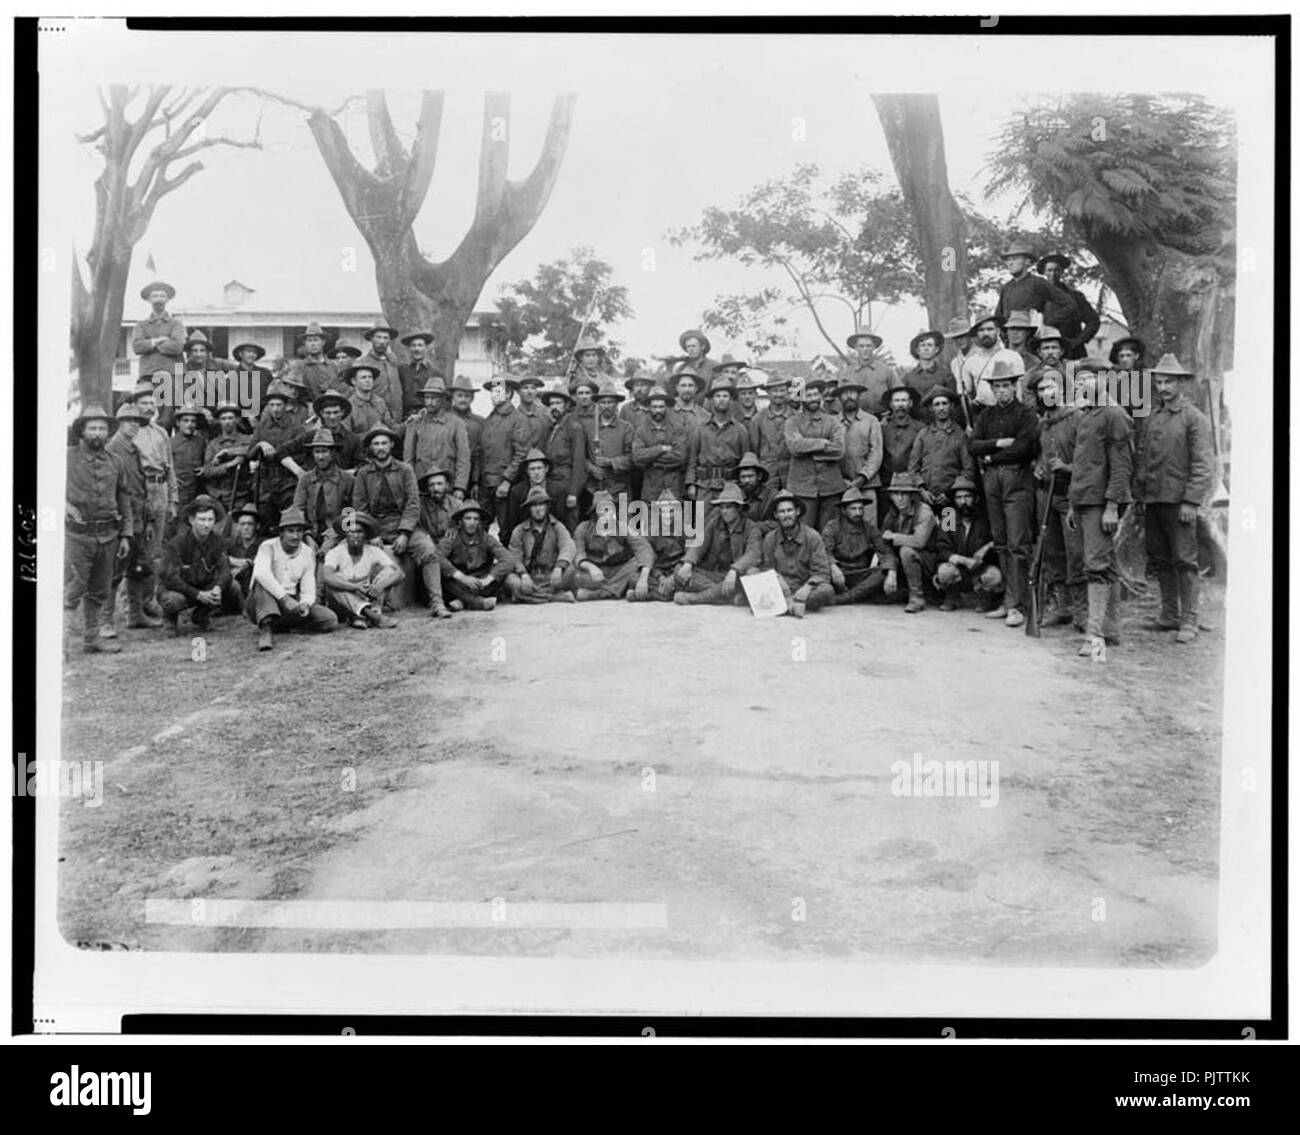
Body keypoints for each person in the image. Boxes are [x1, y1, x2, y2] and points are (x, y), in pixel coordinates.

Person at [1135, 354, 1215, 644]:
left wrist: (1191, 502)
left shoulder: (1194, 418)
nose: (1164, 387)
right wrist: (1141, 494)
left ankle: (1189, 620)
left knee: (1185, 560)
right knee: (1160, 559)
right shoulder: (1153, 417)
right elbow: (1144, 457)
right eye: (1159, 381)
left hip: (1180, 502)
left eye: (1169, 381)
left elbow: (1203, 465)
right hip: (1154, 501)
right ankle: (1169, 614)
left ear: (1180, 383)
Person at [1066, 358, 1134, 657]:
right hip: (1083, 499)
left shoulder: (1115, 415)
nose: (1080, 385)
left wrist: (1111, 506)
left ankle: (1095, 637)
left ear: (1104, 380)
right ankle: (1111, 628)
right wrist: (1072, 503)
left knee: (1096, 566)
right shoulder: (1086, 415)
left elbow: (1121, 466)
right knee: (1104, 565)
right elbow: (1083, 465)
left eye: (1086, 380)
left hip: (1100, 502)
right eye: (1077, 381)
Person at [969, 357, 1040, 628]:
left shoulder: (1025, 414)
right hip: (992, 482)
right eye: (997, 387)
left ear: (1014, 386)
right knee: (1000, 542)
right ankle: (1007, 600)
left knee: (1018, 544)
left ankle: (1018, 605)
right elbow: (973, 445)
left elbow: (1025, 448)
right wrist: (998, 443)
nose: (1001, 391)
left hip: (1016, 477)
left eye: (1005, 386)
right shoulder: (986, 415)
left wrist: (991, 457)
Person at [353, 423, 449, 618]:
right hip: (375, 526)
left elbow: (413, 504)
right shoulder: (363, 473)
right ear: (371, 448)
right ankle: (370, 605)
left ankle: (437, 602)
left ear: (391, 446)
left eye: (384, 443)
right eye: (376, 443)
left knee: (428, 550)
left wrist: (405, 533)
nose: (380, 448)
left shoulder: (405, 470)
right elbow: (359, 506)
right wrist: (371, 534)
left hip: (403, 523)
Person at [65, 404, 134, 654]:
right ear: (82, 432)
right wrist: (64, 506)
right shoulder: (67, 457)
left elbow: (124, 498)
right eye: (92, 428)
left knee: (99, 590)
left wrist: (126, 534)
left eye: (102, 429)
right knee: (72, 588)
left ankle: (91, 639)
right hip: (75, 537)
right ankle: (58, 644)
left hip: (108, 536)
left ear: (108, 433)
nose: (97, 433)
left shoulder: (116, 461)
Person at [1028, 366, 1086, 629]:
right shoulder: (1043, 424)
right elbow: (1041, 455)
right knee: (1052, 552)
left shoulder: (1077, 418)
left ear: (1061, 389)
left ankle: (1082, 610)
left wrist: (1066, 468)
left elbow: (1090, 462)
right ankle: (1061, 607)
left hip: (1071, 495)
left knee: (1076, 553)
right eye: (1040, 389)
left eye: (1050, 387)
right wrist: (1039, 467)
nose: (1045, 393)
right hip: (1046, 495)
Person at [103, 402, 160, 635]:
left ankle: (135, 615)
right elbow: (113, 489)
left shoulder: (133, 448)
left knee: (140, 568)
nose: (133, 425)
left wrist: (146, 519)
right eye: (129, 421)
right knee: (113, 573)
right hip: (121, 519)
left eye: (137, 421)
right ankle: (105, 622)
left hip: (138, 517)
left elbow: (139, 487)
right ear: (119, 423)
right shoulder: (113, 449)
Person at [246, 506, 338, 650]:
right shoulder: (268, 547)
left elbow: (309, 588)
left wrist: (305, 604)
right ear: (281, 533)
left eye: (299, 531)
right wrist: (284, 599)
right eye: (290, 531)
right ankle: (266, 630)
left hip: (289, 604)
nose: (295, 536)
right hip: (261, 602)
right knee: (262, 583)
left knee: (329, 619)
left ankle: (283, 626)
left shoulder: (307, 552)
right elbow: (261, 573)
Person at [125, 381, 177, 618]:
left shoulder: (161, 432)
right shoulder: (130, 433)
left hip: (161, 489)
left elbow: (170, 467)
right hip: (140, 489)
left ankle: (149, 599)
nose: (148, 407)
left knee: (155, 551)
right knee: (136, 549)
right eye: (143, 403)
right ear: (134, 405)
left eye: (151, 403)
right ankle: (130, 603)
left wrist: (173, 499)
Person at [672, 482, 763, 606]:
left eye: (729, 507)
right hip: (715, 575)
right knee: (679, 569)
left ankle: (695, 598)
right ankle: (723, 595)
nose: (724, 511)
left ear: (739, 508)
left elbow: (753, 554)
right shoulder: (715, 522)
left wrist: (734, 570)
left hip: (736, 576)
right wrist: (688, 563)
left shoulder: (752, 527)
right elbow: (699, 544)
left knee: (751, 575)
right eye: (722, 507)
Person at [158, 494, 239, 633]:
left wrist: (217, 589)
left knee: (232, 587)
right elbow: (170, 578)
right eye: (202, 519)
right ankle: (169, 619)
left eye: (210, 520)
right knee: (174, 600)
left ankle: (202, 615)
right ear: (191, 520)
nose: (206, 524)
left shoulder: (218, 541)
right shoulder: (177, 544)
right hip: (180, 590)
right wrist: (198, 594)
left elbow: (225, 570)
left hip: (203, 586)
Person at [758, 490, 835, 618]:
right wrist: (777, 578)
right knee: (751, 576)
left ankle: (784, 605)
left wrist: (808, 587)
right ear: (776, 515)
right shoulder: (770, 538)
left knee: (827, 591)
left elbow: (821, 572)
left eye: (790, 510)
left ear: (797, 512)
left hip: (803, 587)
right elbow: (766, 567)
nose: (786, 515)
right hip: (779, 588)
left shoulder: (812, 536)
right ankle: (793, 605)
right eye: (782, 512)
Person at [321, 509, 403, 629]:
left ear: (366, 535)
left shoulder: (372, 551)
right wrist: (355, 587)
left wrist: (381, 585)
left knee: (389, 571)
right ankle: (373, 617)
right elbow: (327, 576)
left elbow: (400, 573)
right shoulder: (336, 553)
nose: (355, 535)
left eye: (359, 532)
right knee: (335, 581)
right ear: (346, 534)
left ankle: (360, 616)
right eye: (351, 531)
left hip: (366, 596)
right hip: (341, 602)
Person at [783, 376, 846, 531]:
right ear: (802, 399)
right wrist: (823, 443)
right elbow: (794, 447)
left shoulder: (833, 422)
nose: (813, 399)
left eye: (815, 394)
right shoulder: (792, 422)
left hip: (830, 486)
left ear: (821, 396)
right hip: (802, 487)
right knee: (804, 531)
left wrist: (808, 449)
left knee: (829, 531)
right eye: (808, 395)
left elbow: (839, 450)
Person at [931, 474, 1002, 612]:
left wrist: (986, 548)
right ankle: (951, 595)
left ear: (975, 498)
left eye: (967, 497)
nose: (963, 501)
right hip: (956, 568)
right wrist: (962, 560)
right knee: (944, 572)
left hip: (980, 569)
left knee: (994, 576)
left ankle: (984, 597)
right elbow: (941, 547)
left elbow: (1000, 539)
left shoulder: (985, 517)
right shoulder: (949, 515)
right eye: (958, 498)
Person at [437, 499, 521, 611]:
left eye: (476, 519)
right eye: (468, 518)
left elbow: (508, 558)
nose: (472, 523)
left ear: (480, 522)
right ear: (461, 521)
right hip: (458, 581)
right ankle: (478, 602)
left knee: (499, 577)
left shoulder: (486, 538)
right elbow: (438, 557)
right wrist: (462, 577)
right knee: (445, 580)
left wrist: (488, 579)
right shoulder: (452, 537)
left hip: (480, 582)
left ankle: (464, 601)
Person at [572, 490, 654, 601]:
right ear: (595, 512)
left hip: (619, 570)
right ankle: (617, 589)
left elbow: (643, 548)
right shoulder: (583, 528)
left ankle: (602, 593)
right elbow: (578, 552)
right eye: (602, 509)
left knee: (636, 564)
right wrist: (590, 567)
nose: (606, 513)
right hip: (596, 571)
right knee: (572, 573)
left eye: (609, 509)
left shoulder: (622, 527)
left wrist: (643, 578)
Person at [248, 381, 308, 531]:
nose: (275, 409)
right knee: (265, 521)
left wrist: (281, 455)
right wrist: (260, 444)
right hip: (266, 482)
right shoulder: (262, 427)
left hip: (288, 480)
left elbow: (303, 453)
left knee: (288, 520)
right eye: (272, 405)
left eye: (279, 405)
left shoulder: (296, 427)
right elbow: (249, 454)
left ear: (286, 406)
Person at [686, 372, 748, 510]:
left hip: (730, 485)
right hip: (705, 485)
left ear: (731, 400)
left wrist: (742, 486)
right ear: (712, 400)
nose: (721, 399)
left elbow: (746, 461)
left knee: (728, 523)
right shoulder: (701, 428)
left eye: (725, 396)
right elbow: (692, 459)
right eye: (717, 396)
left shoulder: (740, 430)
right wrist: (690, 484)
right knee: (703, 527)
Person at [909, 386, 975, 515]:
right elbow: (913, 467)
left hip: (949, 501)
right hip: (925, 499)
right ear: (931, 408)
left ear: (951, 406)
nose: (941, 408)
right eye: (937, 404)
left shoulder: (960, 435)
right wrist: (922, 490)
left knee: (947, 531)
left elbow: (968, 469)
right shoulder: (923, 434)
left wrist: (950, 493)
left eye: (944, 403)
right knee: (926, 531)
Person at [480, 374, 531, 538]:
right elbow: (482, 452)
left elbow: (521, 453)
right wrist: (476, 481)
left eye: (498, 391)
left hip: (503, 484)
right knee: (481, 527)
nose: (494, 395)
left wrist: (507, 481)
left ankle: (511, 562)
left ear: (509, 394)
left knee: (506, 529)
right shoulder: (490, 419)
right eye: (492, 391)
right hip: (485, 482)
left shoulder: (518, 419)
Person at [506, 486, 578, 604]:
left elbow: (568, 546)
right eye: (534, 505)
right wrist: (523, 574)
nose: (538, 509)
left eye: (541, 504)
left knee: (570, 570)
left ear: (547, 507)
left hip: (551, 575)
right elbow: (514, 555)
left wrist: (559, 567)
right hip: (530, 576)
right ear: (529, 509)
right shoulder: (520, 530)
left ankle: (525, 597)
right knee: (509, 579)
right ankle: (555, 597)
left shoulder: (557, 526)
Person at [823, 485, 894, 606]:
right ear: (844, 510)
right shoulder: (832, 527)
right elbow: (824, 551)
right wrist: (833, 566)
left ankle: (846, 597)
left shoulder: (869, 527)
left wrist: (892, 572)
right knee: (822, 577)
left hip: (861, 574)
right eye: (853, 509)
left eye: (861, 509)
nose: (858, 513)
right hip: (839, 574)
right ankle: (862, 594)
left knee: (883, 573)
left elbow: (885, 551)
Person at [292, 427, 355, 562]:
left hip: (339, 535)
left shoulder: (347, 480)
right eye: (317, 452)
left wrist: (337, 532)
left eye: (324, 451)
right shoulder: (306, 479)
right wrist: (307, 536)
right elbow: (298, 510)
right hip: (310, 534)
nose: (320, 457)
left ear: (333, 453)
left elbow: (352, 510)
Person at [879, 471, 938, 614]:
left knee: (906, 551)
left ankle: (916, 598)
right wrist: (891, 570)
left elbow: (919, 542)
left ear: (912, 495)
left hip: (931, 559)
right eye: (895, 494)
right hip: (907, 561)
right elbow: (883, 541)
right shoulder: (893, 512)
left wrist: (894, 536)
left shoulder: (924, 511)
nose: (899, 498)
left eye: (904, 494)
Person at [994, 239, 1079, 333]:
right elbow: (998, 317)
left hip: (1031, 339)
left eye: (1015, 259)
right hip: (1010, 340)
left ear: (1027, 261)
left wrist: (1047, 322)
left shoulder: (1037, 283)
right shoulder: (1006, 287)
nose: (1010, 263)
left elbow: (1070, 304)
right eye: (1008, 260)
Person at [539, 381, 587, 530]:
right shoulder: (555, 426)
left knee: (569, 528)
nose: (554, 406)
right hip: (552, 485)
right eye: (552, 403)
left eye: (558, 403)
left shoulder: (574, 427)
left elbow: (579, 463)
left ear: (566, 405)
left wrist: (573, 492)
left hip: (566, 487)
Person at [1037, 253, 1101, 360]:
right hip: (1045, 351)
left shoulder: (1076, 297)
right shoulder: (1037, 297)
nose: (1053, 274)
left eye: (1056, 270)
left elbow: (1093, 321)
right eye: (1049, 270)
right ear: (1044, 272)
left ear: (1062, 272)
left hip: (1072, 352)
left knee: (1072, 375)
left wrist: (1077, 341)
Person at [632, 384, 688, 502]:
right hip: (650, 486)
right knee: (650, 519)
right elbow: (637, 457)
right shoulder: (641, 430)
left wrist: (651, 460)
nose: (658, 410)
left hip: (672, 484)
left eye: (661, 407)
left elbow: (680, 457)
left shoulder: (677, 428)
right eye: (654, 407)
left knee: (673, 519)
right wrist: (661, 449)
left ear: (666, 407)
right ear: (649, 408)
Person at [959, 312, 1024, 409]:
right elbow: (967, 394)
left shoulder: (1013, 357)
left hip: (1009, 410)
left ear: (997, 331)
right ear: (976, 333)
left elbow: (1020, 390)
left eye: (990, 329)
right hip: (983, 413)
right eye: (981, 330)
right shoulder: (970, 362)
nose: (986, 333)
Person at [632, 489, 688, 602]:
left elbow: (689, 557)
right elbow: (647, 557)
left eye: (671, 511)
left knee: (690, 579)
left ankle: (653, 594)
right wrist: (660, 577)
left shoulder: (686, 530)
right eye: (663, 511)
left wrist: (673, 576)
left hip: (677, 570)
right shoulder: (649, 532)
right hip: (659, 571)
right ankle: (664, 593)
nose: (667, 515)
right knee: (632, 579)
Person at [837, 379, 884, 512]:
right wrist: (841, 480)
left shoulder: (871, 421)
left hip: (867, 485)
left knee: (868, 526)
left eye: (853, 393)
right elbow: (829, 454)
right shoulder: (832, 422)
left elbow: (876, 453)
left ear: (859, 396)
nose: (849, 397)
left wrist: (862, 477)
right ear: (840, 398)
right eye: (845, 394)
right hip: (841, 486)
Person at [584, 379, 635, 501]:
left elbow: (632, 458)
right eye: (603, 402)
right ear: (598, 404)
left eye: (610, 402)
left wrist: (610, 462)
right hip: (595, 489)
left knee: (623, 520)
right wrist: (591, 468)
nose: (606, 405)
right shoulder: (589, 427)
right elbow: (581, 456)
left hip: (620, 489)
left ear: (616, 404)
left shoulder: (626, 427)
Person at [201, 403, 253, 514]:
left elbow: (252, 449)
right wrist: (230, 465)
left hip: (240, 496)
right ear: (219, 421)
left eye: (230, 418)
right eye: (223, 418)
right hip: (217, 496)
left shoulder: (247, 440)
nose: (227, 422)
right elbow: (207, 471)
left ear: (238, 419)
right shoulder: (213, 444)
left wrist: (230, 453)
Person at [877, 380, 922, 507]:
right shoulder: (882, 428)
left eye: (904, 401)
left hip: (911, 484)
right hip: (886, 484)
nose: (900, 405)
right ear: (891, 404)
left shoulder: (920, 428)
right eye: (897, 401)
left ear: (910, 403)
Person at [132, 280, 186, 385]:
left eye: (162, 296)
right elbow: (137, 347)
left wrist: (150, 345)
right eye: (155, 296)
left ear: (167, 299)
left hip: (173, 373)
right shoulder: (141, 325)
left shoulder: (176, 323)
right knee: (147, 400)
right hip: (148, 373)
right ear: (149, 300)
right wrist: (158, 341)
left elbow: (177, 346)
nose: (158, 299)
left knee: (174, 400)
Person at [748, 370, 793, 488]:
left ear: (787, 391)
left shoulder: (796, 417)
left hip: (791, 475)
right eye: (775, 391)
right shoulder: (757, 420)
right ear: (768, 392)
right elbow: (754, 451)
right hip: (767, 475)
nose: (779, 394)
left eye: (782, 390)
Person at [503, 447, 552, 546]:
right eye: (532, 469)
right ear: (527, 471)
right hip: (526, 537)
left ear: (546, 469)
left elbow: (563, 520)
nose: (536, 473)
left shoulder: (557, 490)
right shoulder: (517, 492)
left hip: (550, 536)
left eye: (539, 468)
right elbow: (511, 521)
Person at [447, 375, 486, 501]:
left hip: (469, 479)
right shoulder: (445, 420)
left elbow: (478, 454)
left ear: (472, 398)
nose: (463, 399)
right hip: (446, 476)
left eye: (467, 396)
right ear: (453, 396)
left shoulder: (479, 423)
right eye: (459, 395)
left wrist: (475, 481)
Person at [841, 329, 895, 415]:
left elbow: (899, 393)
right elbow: (840, 399)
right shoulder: (846, 373)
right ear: (856, 348)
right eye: (861, 346)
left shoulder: (886, 371)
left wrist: (891, 412)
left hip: (882, 419)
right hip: (855, 419)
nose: (865, 349)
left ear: (874, 347)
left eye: (868, 346)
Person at [287, 322, 343, 401]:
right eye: (309, 341)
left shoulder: (333, 366)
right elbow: (293, 393)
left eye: (316, 340)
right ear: (305, 344)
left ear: (323, 342)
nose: (313, 344)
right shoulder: (299, 366)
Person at [170, 403, 209, 517]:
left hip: (195, 490)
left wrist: (204, 468)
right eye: (185, 420)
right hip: (177, 491)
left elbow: (207, 461)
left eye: (193, 421)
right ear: (178, 423)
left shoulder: (200, 442)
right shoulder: (170, 443)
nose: (190, 424)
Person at [357, 320, 403, 414]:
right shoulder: (362, 363)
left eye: (385, 338)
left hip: (396, 417)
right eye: (378, 337)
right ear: (371, 339)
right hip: (373, 415)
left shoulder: (393, 363)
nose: (382, 341)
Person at [313, 392, 365, 471]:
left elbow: (362, 463)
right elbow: (287, 450)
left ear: (342, 412)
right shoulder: (312, 436)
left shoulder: (353, 439)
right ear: (321, 413)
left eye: (336, 412)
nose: (332, 417)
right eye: (328, 413)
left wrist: (352, 472)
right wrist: (299, 471)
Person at [397, 330, 438, 420]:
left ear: (426, 348)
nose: (417, 349)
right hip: (405, 417)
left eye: (420, 345)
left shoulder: (434, 372)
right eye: (413, 345)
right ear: (409, 349)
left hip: (428, 417)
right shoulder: (402, 370)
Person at [345, 361, 396, 433]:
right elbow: (347, 436)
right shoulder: (349, 406)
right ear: (354, 381)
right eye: (363, 377)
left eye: (370, 377)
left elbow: (390, 426)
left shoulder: (379, 402)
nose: (368, 380)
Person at [225, 503, 262, 601]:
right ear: (237, 526)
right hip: (234, 592)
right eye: (242, 524)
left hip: (255, 590)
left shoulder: (264, 544)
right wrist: (232, 561)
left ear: (257, 526)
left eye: (250, 524)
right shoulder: (230, 544)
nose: (246, 527)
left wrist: (245, 566)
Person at [736, 451, 778, 530]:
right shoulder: (736, 495)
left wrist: (754, 526)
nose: (747, 481)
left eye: (750, 476)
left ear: (759, 476)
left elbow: (780, 523)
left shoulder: (772, 496)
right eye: (743, 477)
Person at [1024, 325, 1067, 403]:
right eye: (1046, 348)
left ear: (1061, 351)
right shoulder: (1031, 374)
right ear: (1039, 352)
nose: (1050, 352)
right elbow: (1029, 402)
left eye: (1054, 347)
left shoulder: (1071, 369)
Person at [231, 341, 275, 411]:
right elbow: (232, 402)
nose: (252, 354)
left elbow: (273, 394)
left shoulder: (265, 373)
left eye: (254, 352)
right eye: (248, 351)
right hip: (243, 417)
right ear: (241, 354)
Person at [515, 374, 551, 450]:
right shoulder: (513, 417)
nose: (529, 391)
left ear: (536, 392)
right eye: (525, 388)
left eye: (533, 388)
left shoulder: (546, 416)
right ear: (518, 392)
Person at [676, 329, 716, 394]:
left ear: (702, 346)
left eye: (693, 346)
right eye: (688, 347)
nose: (690, 349)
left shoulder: (714, 367)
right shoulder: (681, 369)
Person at [1001, 310, 1040, 375]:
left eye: (1020, 329)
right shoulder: (998, 357)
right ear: (1007, 331)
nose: (1015, 333)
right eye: (1012, 329)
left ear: (1028, 332)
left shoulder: (1034, 362)